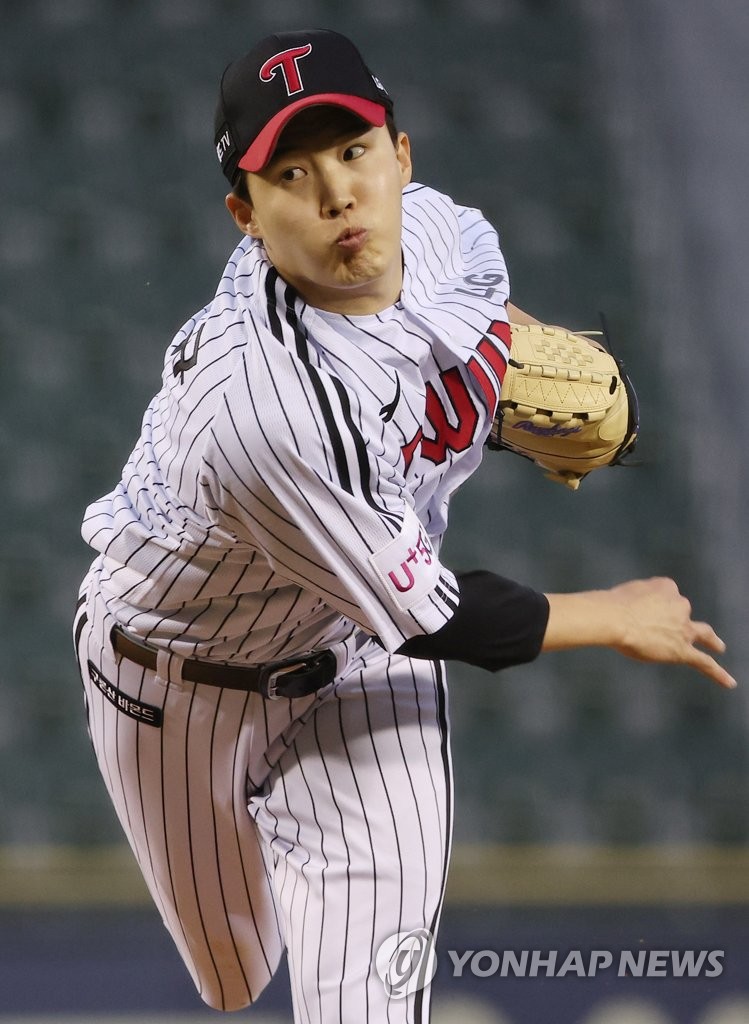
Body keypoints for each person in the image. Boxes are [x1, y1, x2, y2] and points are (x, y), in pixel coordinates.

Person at [73, 28, 735, 1023]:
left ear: (401, 154)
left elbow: (455, 351)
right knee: (232, 978)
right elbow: (430, 615)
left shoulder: (437, 234)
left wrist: (518, 387)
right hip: (174, 678)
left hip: (355, 665)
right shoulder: (266, 404)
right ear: (243, 216)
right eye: (290, 174)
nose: (338, 192)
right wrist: (609, 612)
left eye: (353, 150)